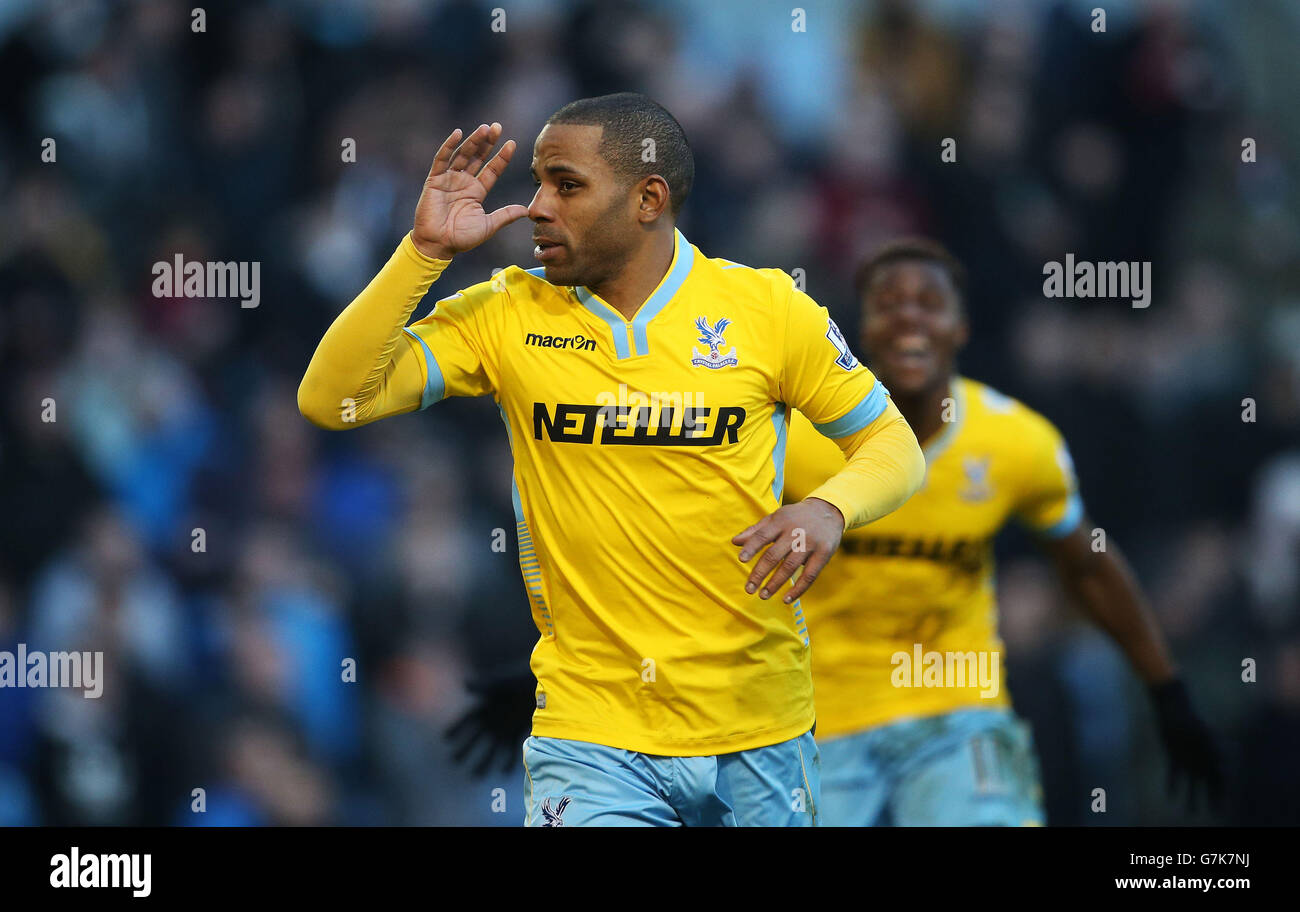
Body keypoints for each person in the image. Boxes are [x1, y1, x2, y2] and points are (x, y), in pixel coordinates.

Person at [298, 93, 926, 826]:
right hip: (591, 735)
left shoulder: (769, 311)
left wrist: (828, 507)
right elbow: (332, 396)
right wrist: (424, 255)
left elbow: (895, 446)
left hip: (759, 732)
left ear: (647, 198)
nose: (536, 206)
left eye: (565, 185)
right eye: (536, 182)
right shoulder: (508, 314)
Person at [783, 237, 1224, 826]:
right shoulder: (794, 440)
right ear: (861, 329)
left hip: (959, 714)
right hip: (814, 719)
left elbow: (1087, 564)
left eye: (929, 302)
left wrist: (1167, 691)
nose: (909, 314)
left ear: (961, 328)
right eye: (889, 303)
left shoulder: (1016, 440)